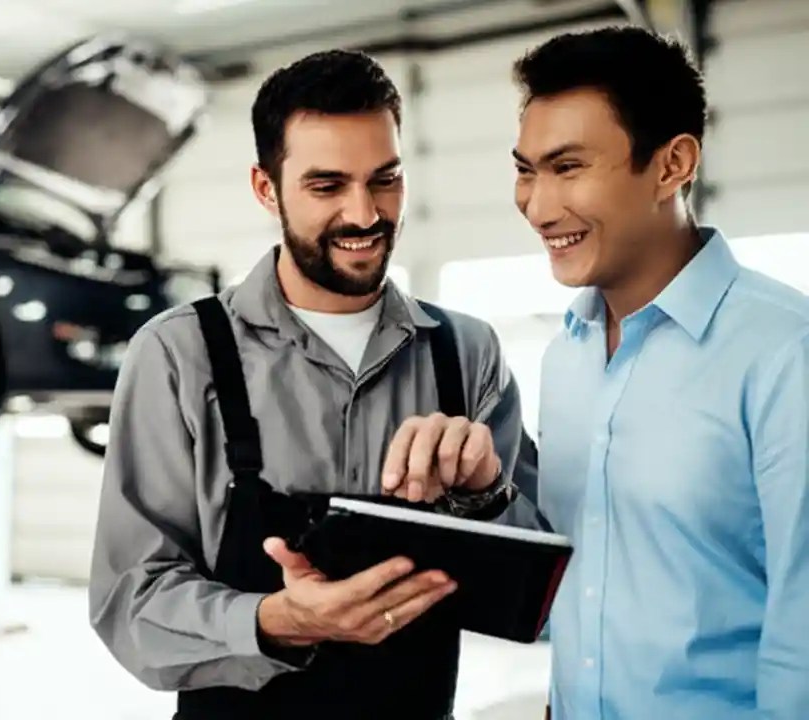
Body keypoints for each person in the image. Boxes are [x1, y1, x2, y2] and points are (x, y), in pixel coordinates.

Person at [88, 49, 540, 720]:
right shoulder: (180, 355)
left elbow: (537, 591)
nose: (364, 214)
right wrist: (278, 619)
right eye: (327, 187)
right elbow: (131, 603)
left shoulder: (465, 354)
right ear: (266, 188)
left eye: (384, 180)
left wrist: (486, 492)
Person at [509, 26, 809, 719]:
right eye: (527, 169)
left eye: (569, 167)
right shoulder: (567, 357)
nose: (538, 205)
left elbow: (802, 638)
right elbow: (581, 598)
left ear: (672, 165)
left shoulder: (783, 353)